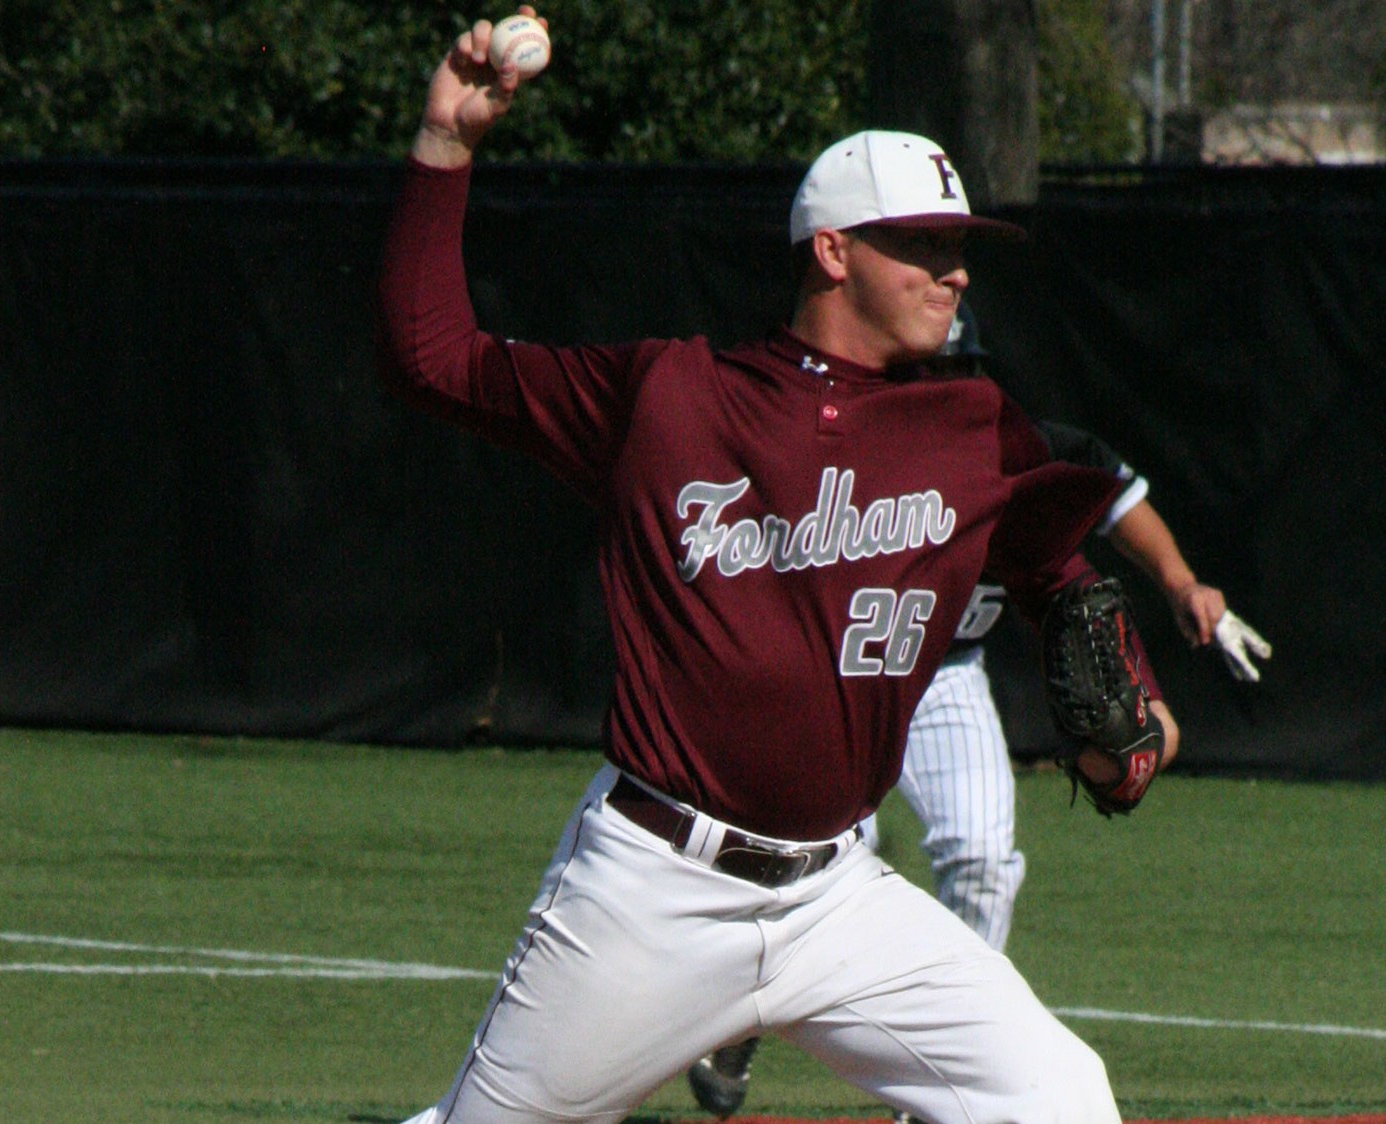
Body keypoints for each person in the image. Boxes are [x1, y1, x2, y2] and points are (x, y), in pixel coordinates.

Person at [377, 12, 1167, 1123]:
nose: (952, 271)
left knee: (1057, 1097)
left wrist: (1118, 681)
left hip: (838, 897)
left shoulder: (974, 426)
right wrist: (444, 146)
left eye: (959, 249)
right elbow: (431, 359)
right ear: (832, 250)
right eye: (921, 245)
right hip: (654, 888)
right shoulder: (671, 395)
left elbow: (1055, 566)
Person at [685, 303, 1272, 1118]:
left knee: (986, 861)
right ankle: (738, 1007)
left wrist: (1179, 584)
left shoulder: (1016, 450)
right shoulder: (839, 446)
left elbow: (1110, 496)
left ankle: (937, 1093)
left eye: (961, 371)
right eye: (930, 373)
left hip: (943, 677)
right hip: (828, 673)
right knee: (808, 859)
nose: (949, 387)